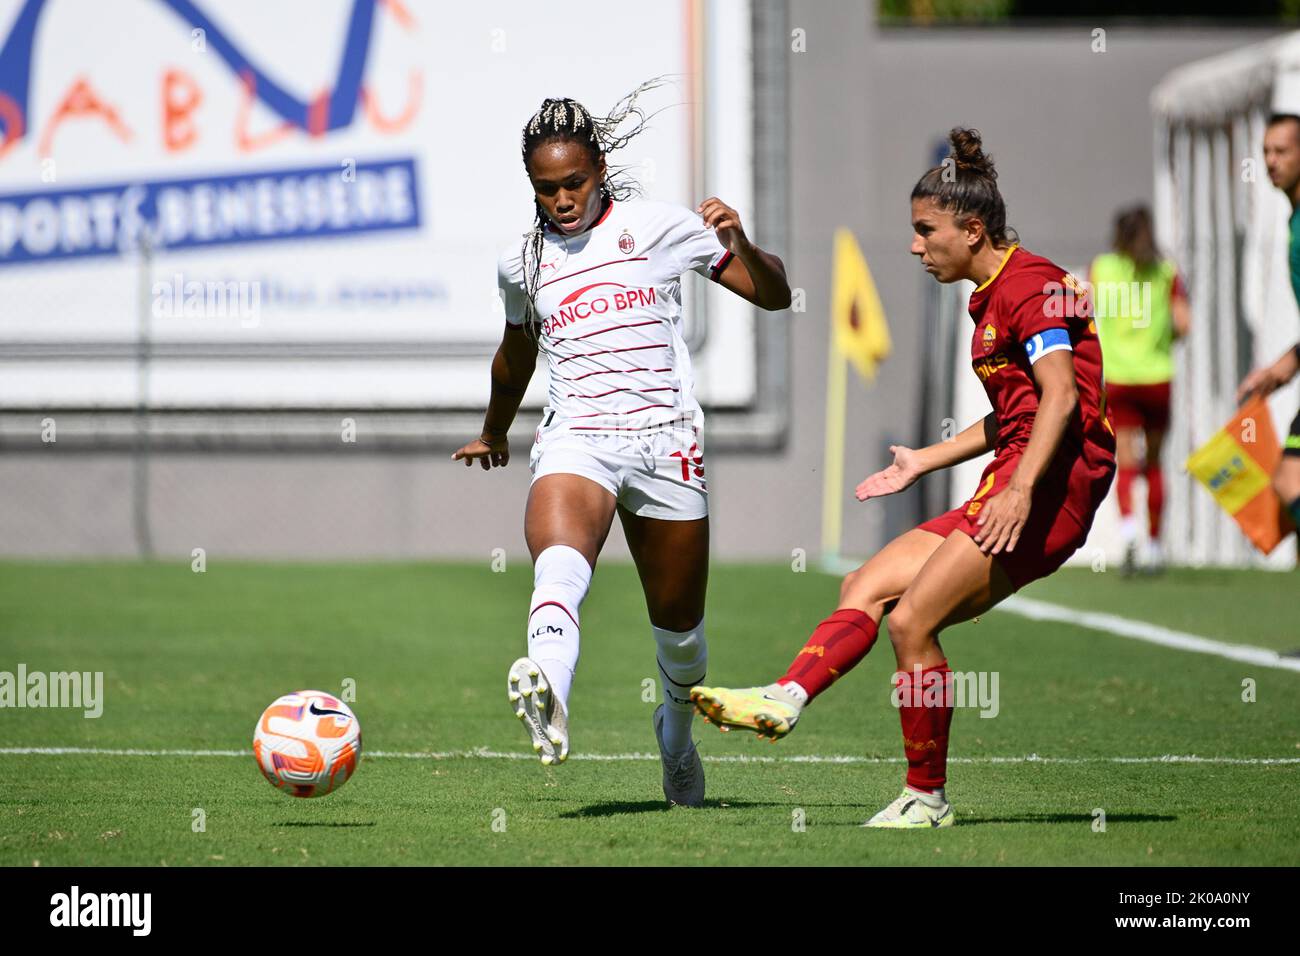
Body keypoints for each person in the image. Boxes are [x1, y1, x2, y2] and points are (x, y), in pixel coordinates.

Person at [691, 128, 1116, 828]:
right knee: (866, 584)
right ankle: (784, 698)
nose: (916, 246)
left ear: (972, 229)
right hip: (1015, 478)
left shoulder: (1032, 288)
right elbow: (1019, 413)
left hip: (1049, 492)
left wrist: (1017, 491)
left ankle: (927, 798)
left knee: (914, 620)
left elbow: (1063, 397)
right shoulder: (990, 292)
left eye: (926, 231)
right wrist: (926, 458)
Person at [452, 84, 790, 807]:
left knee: (682, 642)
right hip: (579, 439)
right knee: (559, 566)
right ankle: (550, 685)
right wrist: (494, 429)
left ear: (599, 168)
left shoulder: (662, 227)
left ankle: (674, 734)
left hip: (667, 445)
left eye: (574, 182)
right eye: (547, 188)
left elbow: (775, 295)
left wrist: (741, 243)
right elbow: (516, 353)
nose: (563, 198)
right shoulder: (524, 262)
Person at [1090, 205, 1190, 575]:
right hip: (1157, 377)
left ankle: (1130, 530)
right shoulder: (1167, 271)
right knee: (1156, 462)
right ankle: (1153, 544)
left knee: (1127, 461)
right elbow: (1184, 323)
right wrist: (1161, 337)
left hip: (1118, 379)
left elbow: (1082, 314)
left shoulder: (1102, 268)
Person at [1237, 113, 1300, 543]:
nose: (1271, 161)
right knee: (1287, 483)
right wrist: (1279, 370)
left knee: (1289, 483)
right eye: (1265, 152)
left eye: (1282, 151)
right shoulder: (1291, 221)